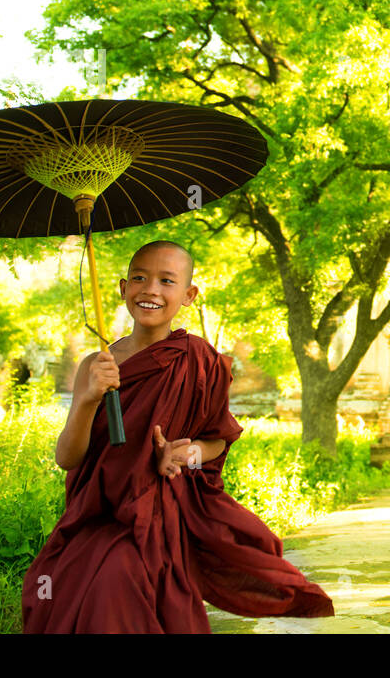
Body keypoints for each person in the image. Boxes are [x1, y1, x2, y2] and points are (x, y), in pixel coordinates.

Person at [22, 240, 333, 632]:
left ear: (188, 295)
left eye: (166, 281)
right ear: (122, 288)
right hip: (96, 516)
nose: (150, 289)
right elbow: (67, 458)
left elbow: (218, 440)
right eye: (139, 278)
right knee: (56, 590)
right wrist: (87, 400)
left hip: (156, 515)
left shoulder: (199, 361)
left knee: (120, 588)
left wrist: (186, 456)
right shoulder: (96, 366)